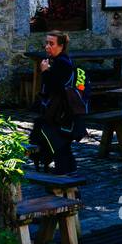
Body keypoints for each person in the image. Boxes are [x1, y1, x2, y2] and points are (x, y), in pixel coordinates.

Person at [30, 30, 79, 174]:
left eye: (51, 44)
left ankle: (64, 173)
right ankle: (61, 168)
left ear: (61, 46)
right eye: (46, 43)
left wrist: (45, 72)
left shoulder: (62, 63)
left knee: (57, 142)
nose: (47, 46)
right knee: (54, 141)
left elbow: (55, 87)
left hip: (60, 112)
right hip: (57, 111)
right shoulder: (59, 61)